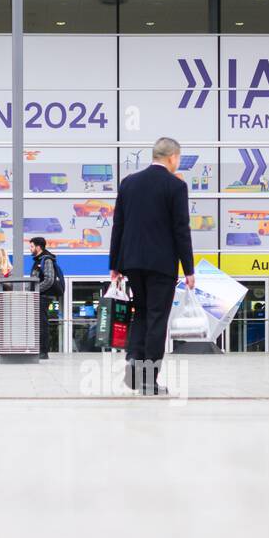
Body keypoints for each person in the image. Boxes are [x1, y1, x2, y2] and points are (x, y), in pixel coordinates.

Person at [108, 136, 195, 394]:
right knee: (157, 318)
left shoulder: (129, 183)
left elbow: (118, 226)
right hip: (161, 264)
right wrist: (188, 269)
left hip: (132, 262)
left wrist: (115, 264)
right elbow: (181, 229)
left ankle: (134, 360)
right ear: (172, 158)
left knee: (141, 313)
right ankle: (148, 381)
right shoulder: (175, 186)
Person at [29, 236, 61, 359]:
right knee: (38, 323)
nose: (30, 249)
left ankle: (43, 352)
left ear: (38, 247)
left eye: (32, 246)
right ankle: (39, 350)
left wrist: (35, 291)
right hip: (39, 296)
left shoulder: (46, 260)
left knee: (42, 324)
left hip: (43, 296)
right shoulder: (38, 260)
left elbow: (49, 280)